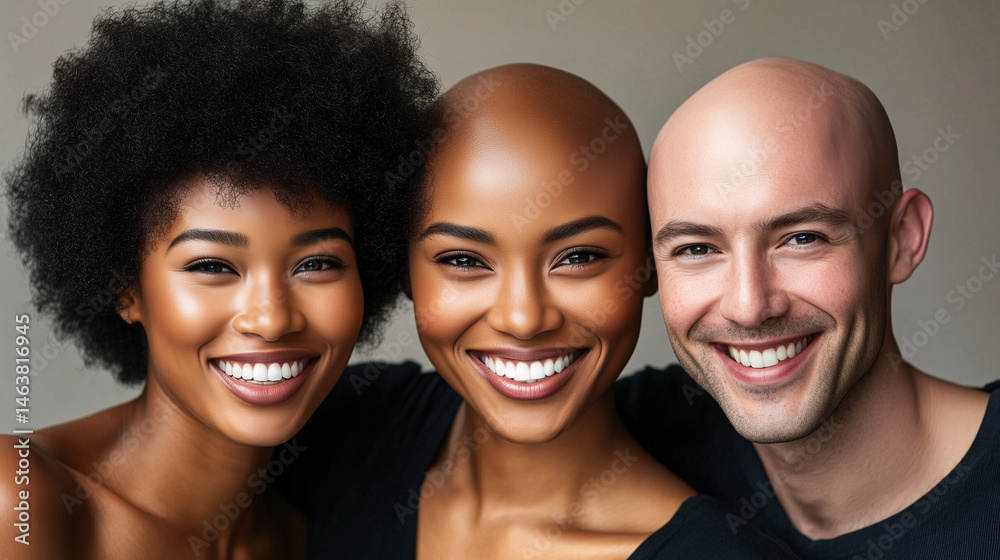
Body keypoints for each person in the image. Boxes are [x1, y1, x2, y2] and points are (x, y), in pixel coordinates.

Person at [280, 63, 797, 559]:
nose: (523, 318)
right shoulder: (338, 433)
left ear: (648, 263)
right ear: (403, 269)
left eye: (578, 258)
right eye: (463, 260)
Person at [0, 0, 437, 558]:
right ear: (125, 288)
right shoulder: (23, 503)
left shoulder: (309, 531)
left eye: (317, 264)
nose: (272, 317)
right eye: (212, 267)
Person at [618, 57, 999, 558]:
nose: (750, 307)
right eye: (696, 248)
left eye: (801, 238)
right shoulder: (641, 435)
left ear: (902, 239)